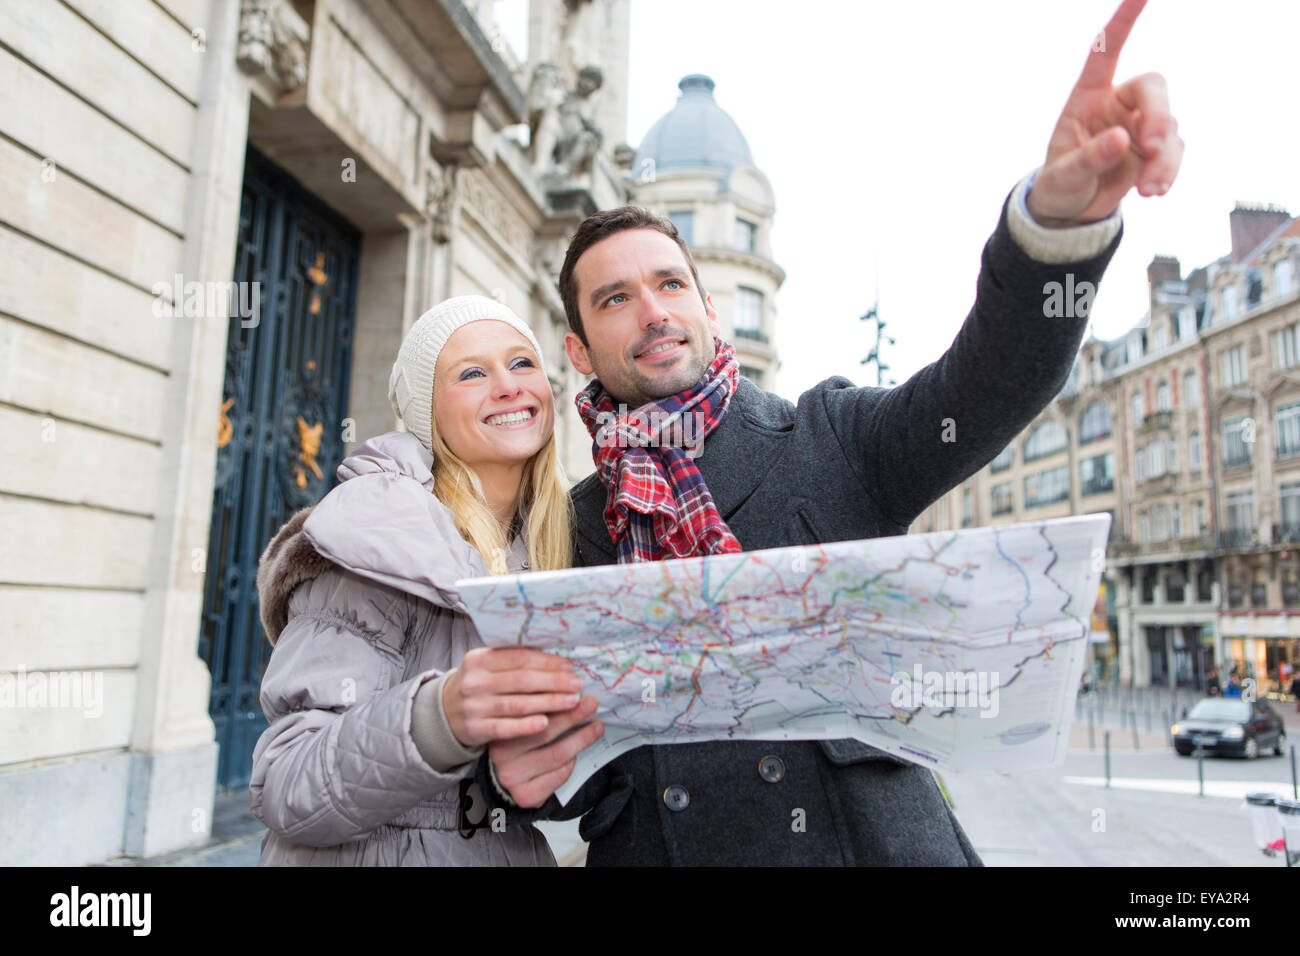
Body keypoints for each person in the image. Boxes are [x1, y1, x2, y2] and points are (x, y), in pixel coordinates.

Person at [462, 0, 1184, 866]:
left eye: (669, 284)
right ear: (577, 345)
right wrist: (516, 774)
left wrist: (1057, 228)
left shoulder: (830, 437)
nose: (652, 312)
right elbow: (550, 754)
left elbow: (989, 385)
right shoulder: (568, 525)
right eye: (616, 298)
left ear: (707, 307)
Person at [248, 295, 588, 865]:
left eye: (523, 363)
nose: (508, 387)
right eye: (472, 373)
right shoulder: (379, 534)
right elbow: (286, 781)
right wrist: (440, 717)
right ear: (427, 410)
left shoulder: (555, 547)